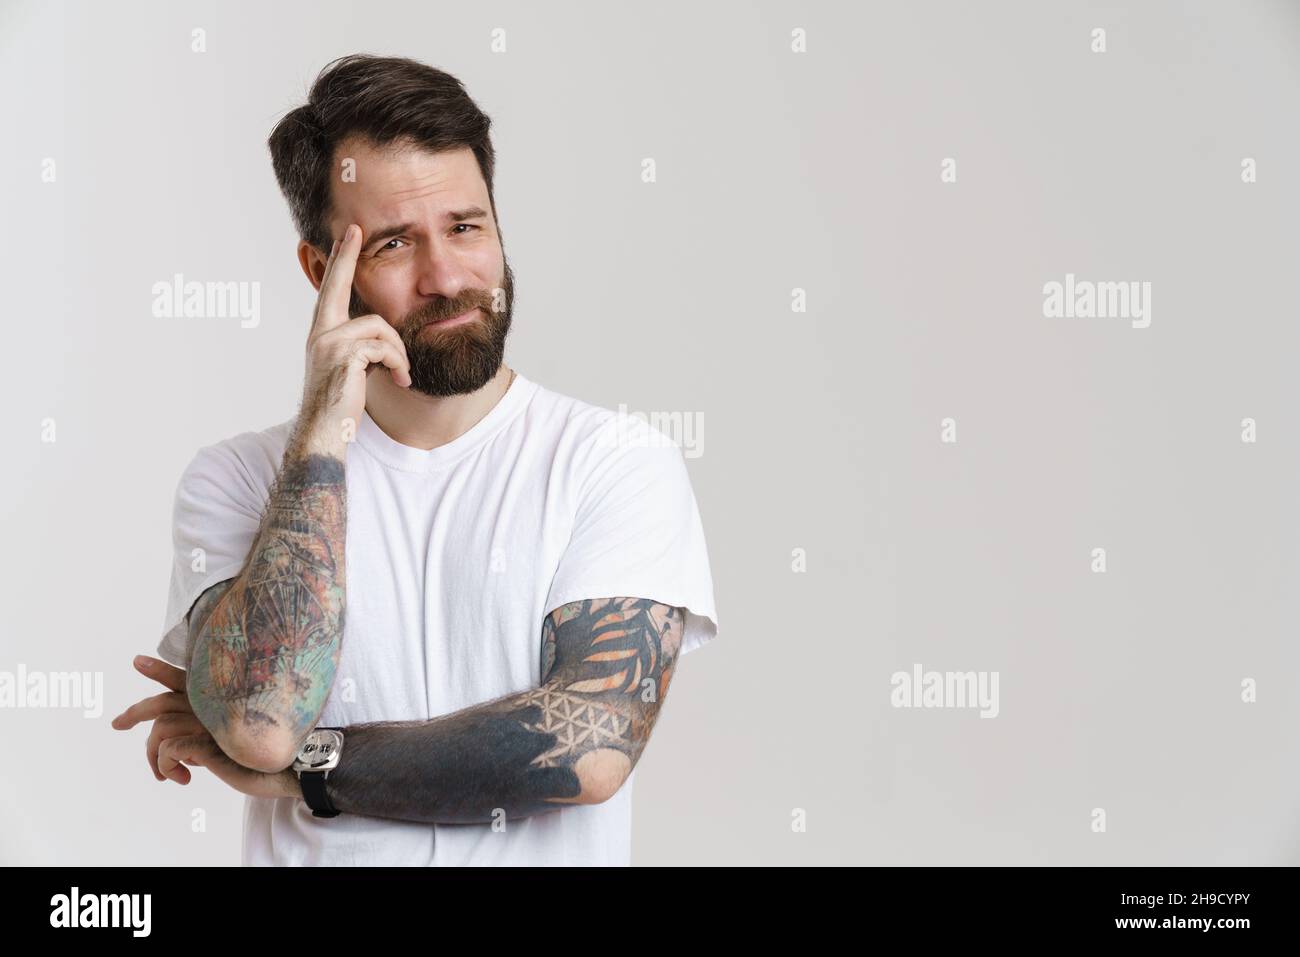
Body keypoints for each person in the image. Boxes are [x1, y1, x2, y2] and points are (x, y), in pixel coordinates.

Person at [111, 53, 719, 867]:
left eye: (466, 227)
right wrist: (324, 430)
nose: (446, 278)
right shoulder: (237, 479)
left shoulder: (612, 462)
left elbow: (588, 747)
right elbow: (260, 722)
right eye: (395, 243)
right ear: (322, 273)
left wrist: (310, 770)